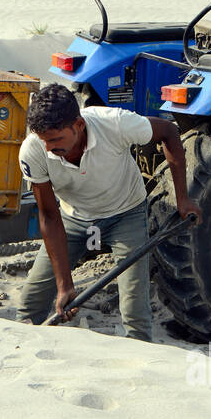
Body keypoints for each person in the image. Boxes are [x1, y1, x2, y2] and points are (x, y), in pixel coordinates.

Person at [17, 85, 201, 342]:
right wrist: (64, 285)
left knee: (135, 311)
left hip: (125, 212)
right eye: (44, 140)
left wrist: (182, 198)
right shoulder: (33, 150)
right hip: (74, 217)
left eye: (56, 140)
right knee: (29, 304)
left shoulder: (115, 124)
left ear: (79, 125)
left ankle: (138, 363)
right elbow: (49, 215)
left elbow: (169, 132)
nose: (48, 148)